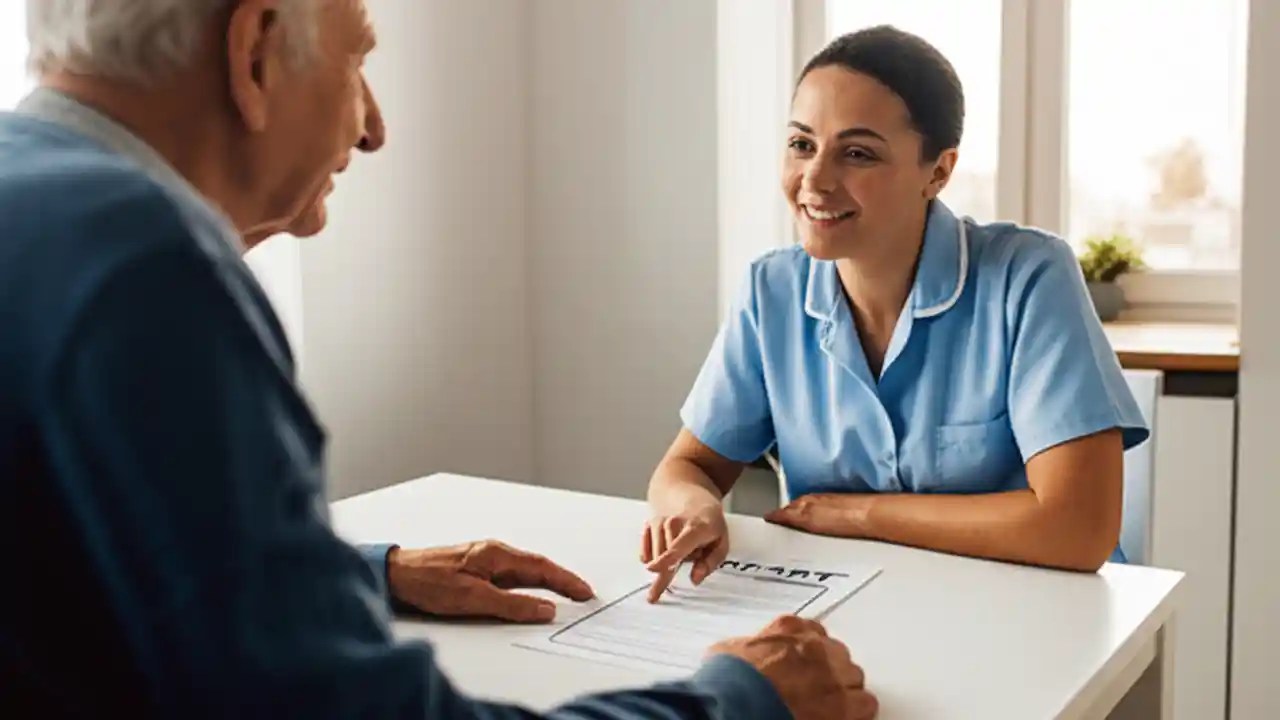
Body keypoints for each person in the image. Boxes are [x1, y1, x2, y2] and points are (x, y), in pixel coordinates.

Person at [0, 1, 878, 718]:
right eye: (357, 63)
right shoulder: (148, 265)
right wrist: (737, 702)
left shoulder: (35, 202)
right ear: (255, 50)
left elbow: (68, 582)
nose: (374, 125)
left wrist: (365, 573)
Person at [642, 25, 1149, 599]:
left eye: (857, 153)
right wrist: (693, 509)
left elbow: (1077, 530)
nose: (815, 179)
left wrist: (861, 516)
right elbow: (688, 467)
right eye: (802, 144)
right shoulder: (771, 290)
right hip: (855, 606)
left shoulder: (1029, 276)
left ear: (938, 171)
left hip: (1035, 614)